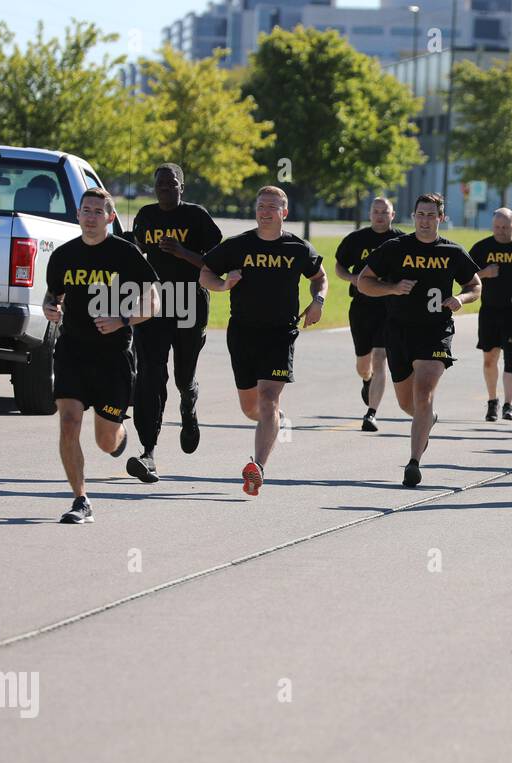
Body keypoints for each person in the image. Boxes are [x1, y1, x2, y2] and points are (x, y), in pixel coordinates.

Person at [200, 186, 327, 496]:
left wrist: (318, 301)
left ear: (284, 212)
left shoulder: (298, 248)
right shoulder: (237, 245)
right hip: (242, 332)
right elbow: (205, 273)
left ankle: (257, 467)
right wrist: (222, 284)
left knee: (268, 397)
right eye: (261, 205)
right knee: (251, 408)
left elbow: (319, 276)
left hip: (280, 333)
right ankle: (274, 421)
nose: (265, 211)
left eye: (272, 206)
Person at [46, 188, 161, 522]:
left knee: (105, 441)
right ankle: (81, 500)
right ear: (78, 215)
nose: (91, 217)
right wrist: (51, 309)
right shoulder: (64, 256)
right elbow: (52, 296)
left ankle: (119, 438)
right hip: (72, 352)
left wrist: (122, 319)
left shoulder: (126, 255)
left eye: (98, 211)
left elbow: (154, 303)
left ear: (110, 217)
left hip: (114, 358)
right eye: (86, 210)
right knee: (68, 423)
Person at [357, 192, 481, 488]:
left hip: (435, 332)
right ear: (413, 217)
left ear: (441, 218)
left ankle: (413, 463)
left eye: (431, 215)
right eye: (420, 215)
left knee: (423, 392)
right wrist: (392, 288)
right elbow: (364, 282)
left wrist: (461, 298)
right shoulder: (395, 248)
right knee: (407, 403)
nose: (425, 220)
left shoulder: (452, 252)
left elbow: (475, 285)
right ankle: (427, 420)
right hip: (399, 331)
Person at [124, 163, 222, 483]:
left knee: (182, 376)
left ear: (182, 186)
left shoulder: (197, 217)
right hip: (154, 304)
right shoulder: (145, 216)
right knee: (151, 376)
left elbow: (217, 262)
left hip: (189, 303)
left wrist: (182, 253)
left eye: (172, 184)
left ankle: (188, 404)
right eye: (160, 185)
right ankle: (148, 451)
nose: (165, 189)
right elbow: (137, 256)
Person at [333, 196, 405, 431]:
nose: (380, 215)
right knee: (364, 364)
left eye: (385, 212)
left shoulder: (401, 241)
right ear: (369, 213)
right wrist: (352, 278)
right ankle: (367, 380)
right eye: (376, 211)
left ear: (392, 215)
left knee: (380, 358)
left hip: (389, 307)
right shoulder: (356, 239)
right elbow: (339, 267)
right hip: (362, 307)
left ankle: (371, 413)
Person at [469, 207, 512, 422]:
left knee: (511, 358)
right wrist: (484, 273)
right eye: (497, 227)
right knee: (490, 358)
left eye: (505, 227)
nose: (500, 231)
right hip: (490, 310)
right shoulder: (482, 248)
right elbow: (464, 276)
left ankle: (508, 404)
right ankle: (492, 401)